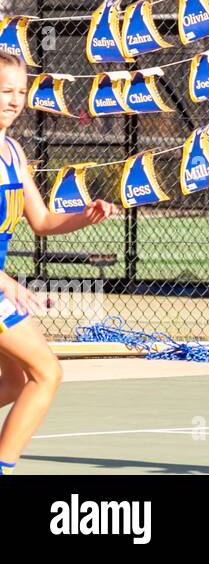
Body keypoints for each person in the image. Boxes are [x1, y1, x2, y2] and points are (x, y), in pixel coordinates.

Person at [0, 51, 119, 474]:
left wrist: (85, 215)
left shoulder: (12, 151)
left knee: (16, 381)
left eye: (19, 91)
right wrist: (8, 284)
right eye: (4, 90)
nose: (14, 100)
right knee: (47, 374)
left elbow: (43, 220)